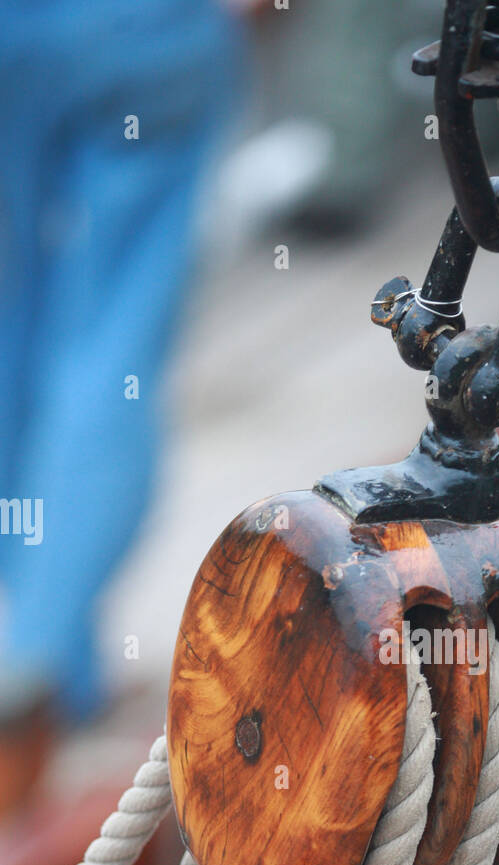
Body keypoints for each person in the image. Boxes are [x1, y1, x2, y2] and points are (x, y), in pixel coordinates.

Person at [0, 0, 244, 818]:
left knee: (12, 326)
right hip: (147, 25)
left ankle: (46, 661)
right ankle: (37, 661)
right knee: (110, 341)